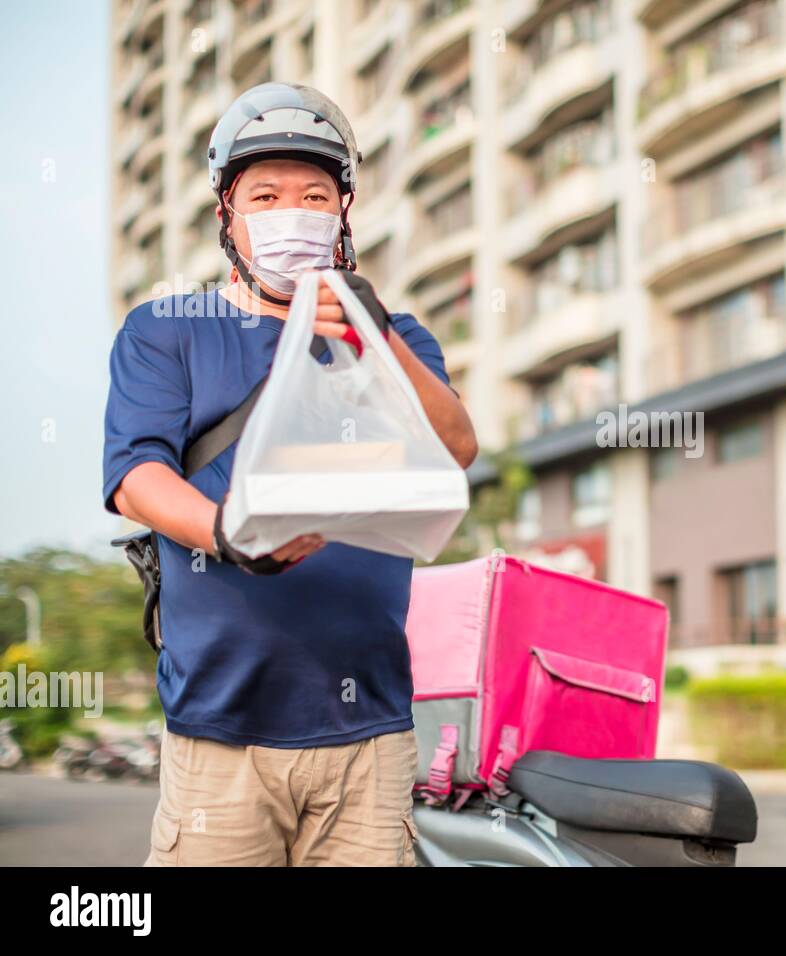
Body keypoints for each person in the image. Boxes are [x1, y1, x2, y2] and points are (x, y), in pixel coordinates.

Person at [102, 83, 477, 866]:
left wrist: (377, 337)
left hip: (370, 737)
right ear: (226, 218)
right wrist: (227, 535)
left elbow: (456, 446)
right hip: (219, 735)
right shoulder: (168, 330)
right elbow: (136, 473)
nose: (291, 211)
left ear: (343, 212)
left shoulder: (398, 334)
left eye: (315, 193)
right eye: (265, 194)